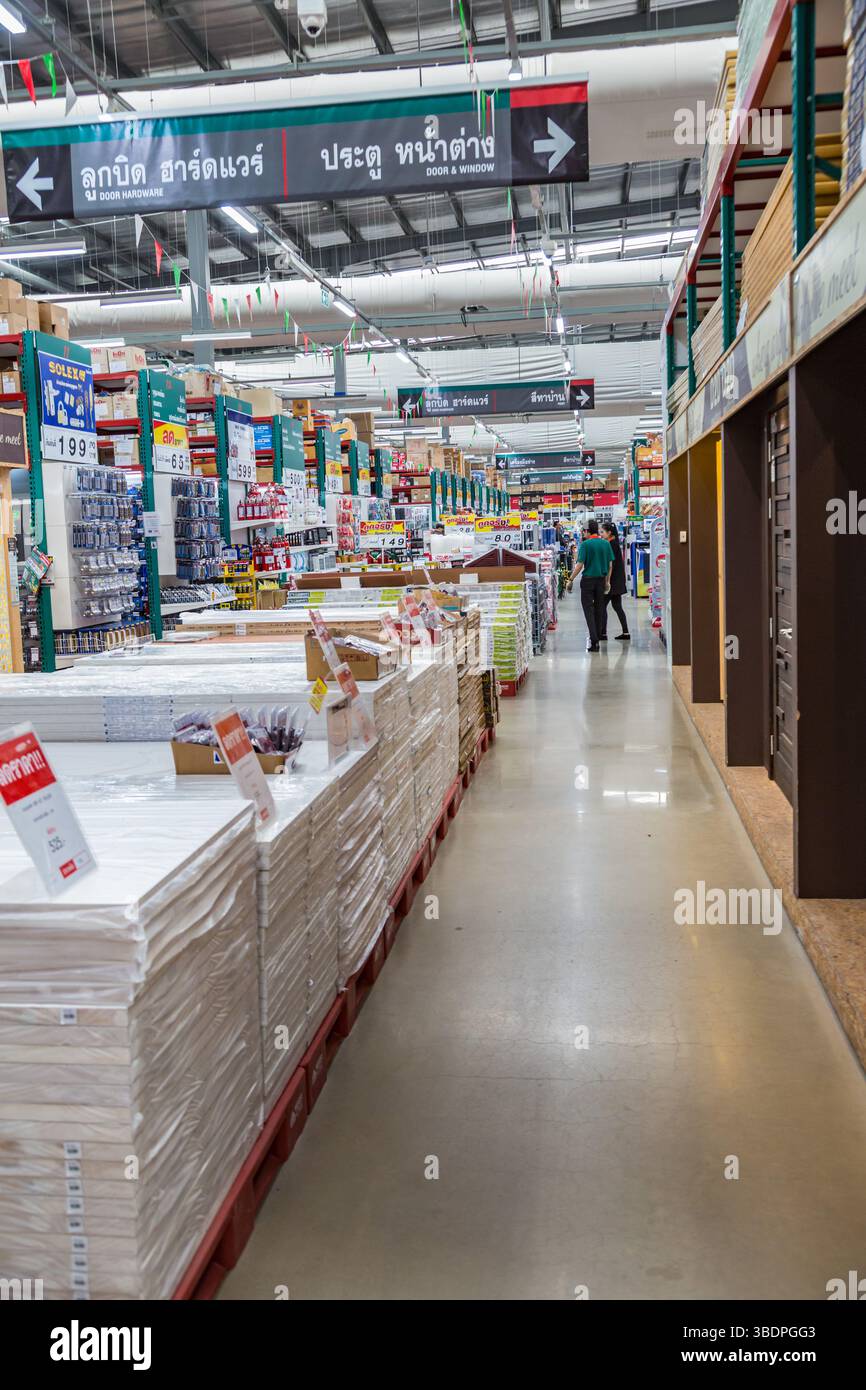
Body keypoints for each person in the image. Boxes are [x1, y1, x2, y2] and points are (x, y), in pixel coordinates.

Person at [568, 518, 613, 652]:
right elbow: (610, 565)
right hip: (601, 580)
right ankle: (597, 638)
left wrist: (570, 579)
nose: (582, 534)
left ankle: (594, 641)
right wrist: (607, 582)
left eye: (583, 531)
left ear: (587, 531)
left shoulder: (586, 545)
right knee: (599, 610)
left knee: (589, 611)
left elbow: (580, 565)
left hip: (588, 581)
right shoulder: (605, 544)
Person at [599, 521, 630, 641]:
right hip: (617, 582)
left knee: (602, 606)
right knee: (617, 607)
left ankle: (603, 633)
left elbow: (610, 565)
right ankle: (626, 632)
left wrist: (606, 582)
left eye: (603, 532)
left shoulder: (611, 545)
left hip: (612, 582)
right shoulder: (614, 543)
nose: (601, 534)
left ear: (609, 532)